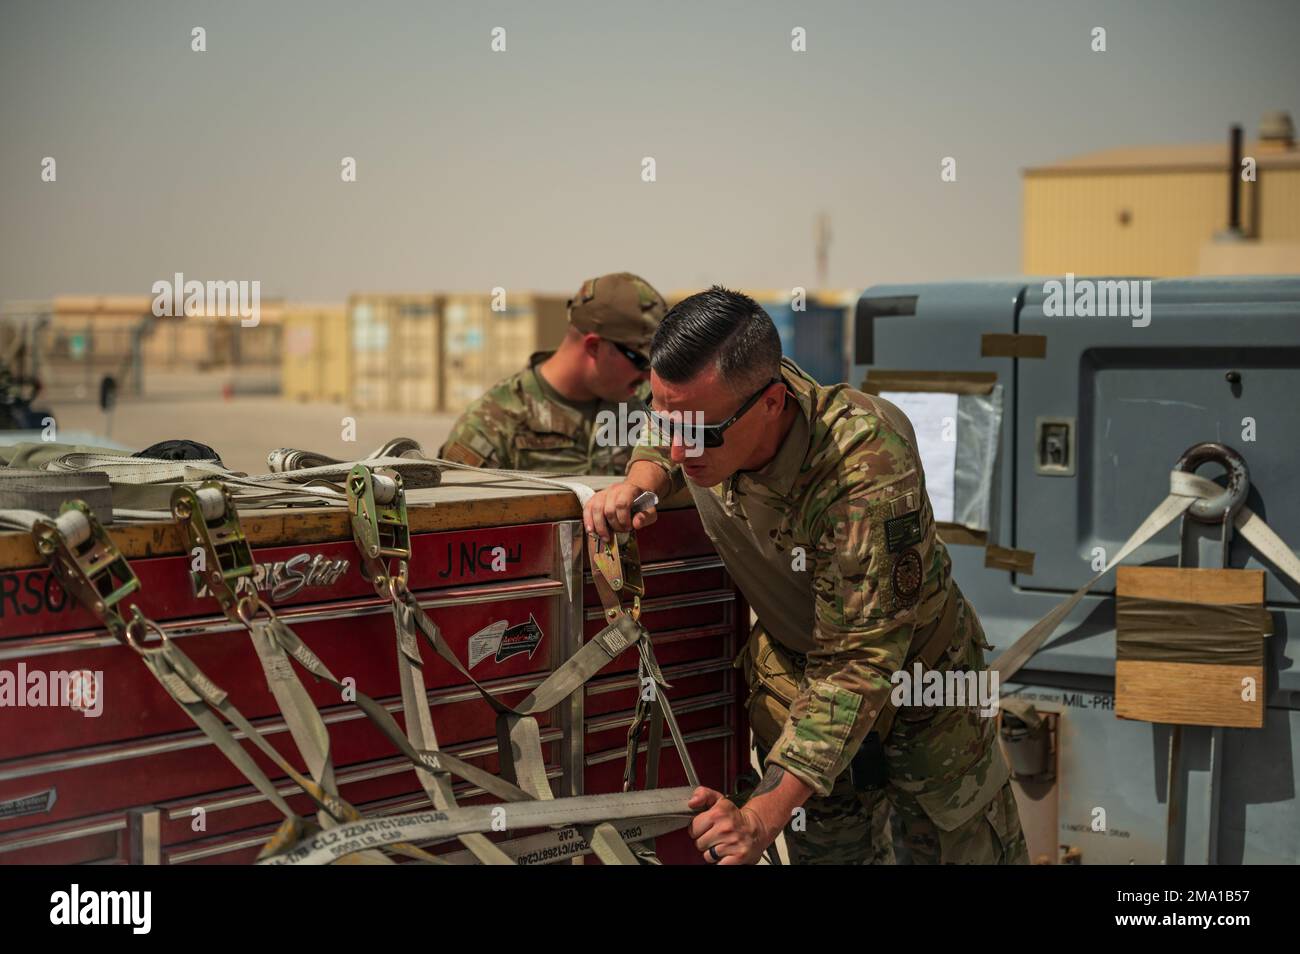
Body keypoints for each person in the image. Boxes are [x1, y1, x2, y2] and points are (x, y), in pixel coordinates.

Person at [584, 286, 1028, 865]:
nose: (679, 447)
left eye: (701, 433)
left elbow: (859, 664)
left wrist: (759, 818)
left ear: (771, 405)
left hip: (920, 695)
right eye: (666, 420)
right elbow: (668, 432)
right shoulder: (709, 411)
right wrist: (639, 482)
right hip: (800, 684)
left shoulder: (863, 466)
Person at [438, 272, 666, 473]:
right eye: (642, 362)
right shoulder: (492, 424)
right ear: (594, 347)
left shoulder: (651, 404)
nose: (648, 376)